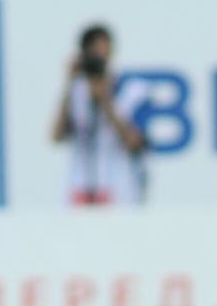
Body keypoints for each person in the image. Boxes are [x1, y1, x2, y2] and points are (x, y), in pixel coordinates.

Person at [51, 23, 148, 205]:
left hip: (118, 186)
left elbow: (135, 143)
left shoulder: (131, 90)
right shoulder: (77, 92)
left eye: (103, 50)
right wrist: (69, 84)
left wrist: (105, 101)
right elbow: (56, 136)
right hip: (80, 185)